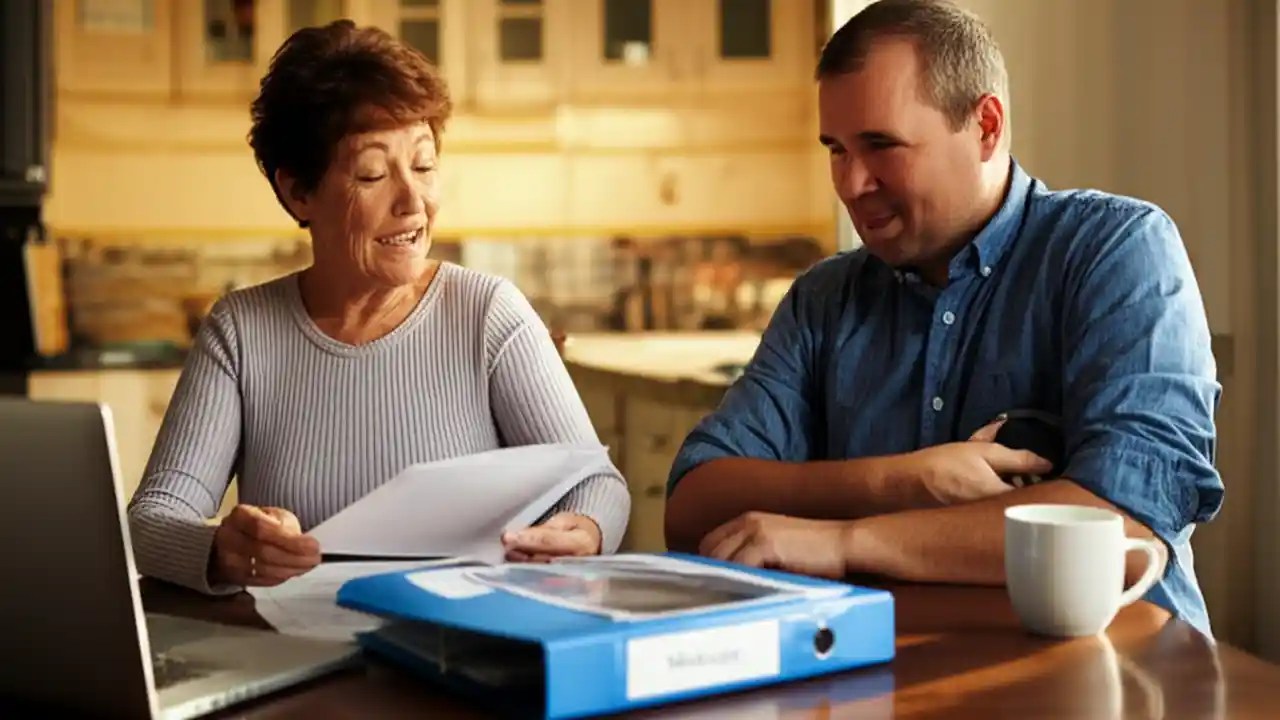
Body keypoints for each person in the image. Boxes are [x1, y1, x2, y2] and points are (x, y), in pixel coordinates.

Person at [664, 0, 1222, 637]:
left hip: (1117, 683)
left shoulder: (1117, 250)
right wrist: (896, 482)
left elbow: (1121, 520)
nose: (851, 183)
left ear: (985, 126)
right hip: (887, 679)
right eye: (836, 150)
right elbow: (692, 504)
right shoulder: (824, 299)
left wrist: (846, 543)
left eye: (880, 145)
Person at [128, 21, 630, 594]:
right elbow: (151, 522)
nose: (413, 202)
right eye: (372, 173)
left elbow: (597, 483)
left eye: (423, 165)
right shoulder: (241, 331)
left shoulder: (488, 314)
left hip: (461, 652)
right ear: (298, 192)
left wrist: (584, 529)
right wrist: (224, 549)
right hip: (297, 655)